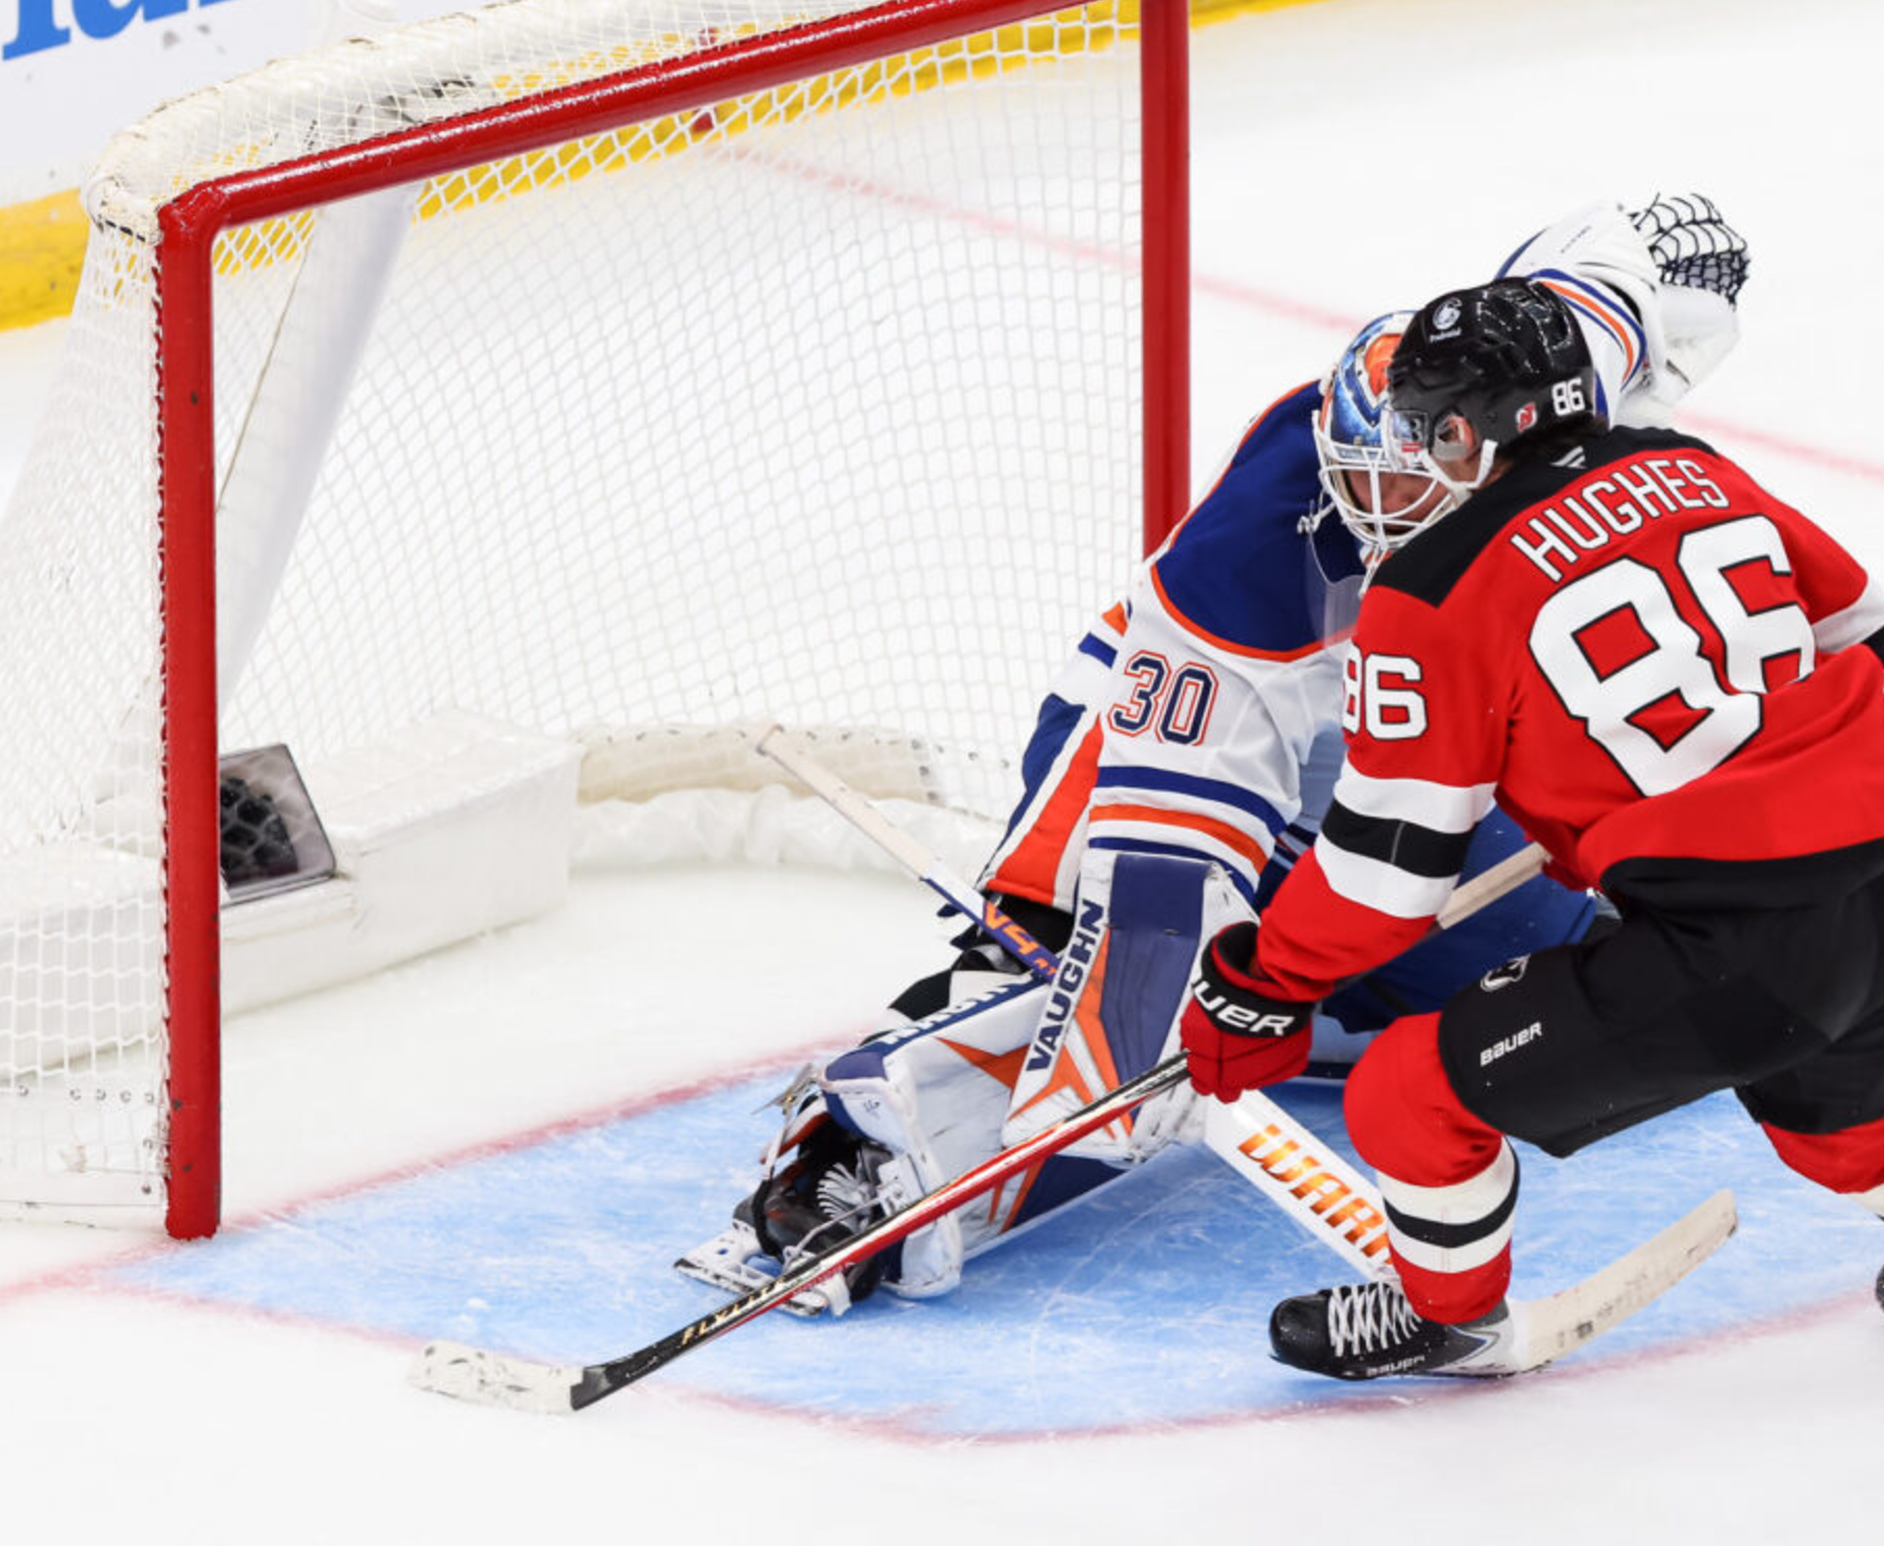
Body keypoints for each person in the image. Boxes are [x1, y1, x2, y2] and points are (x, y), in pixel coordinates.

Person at [678, 198, 1752, 1315]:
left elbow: (1590, 273)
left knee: (1590, 960)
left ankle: (1339, 999)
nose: (1379, 522)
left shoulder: (1563, 372)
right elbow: (1166, 848)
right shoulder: (1262, 551)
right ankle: (853, 1148)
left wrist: (1660, 262)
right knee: (1099, 972)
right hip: (1167, 743)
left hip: (1397, 755)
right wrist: (1123, 1043)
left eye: (1412, 490)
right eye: (1360, 485)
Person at [1181, 278, 1884, 1380]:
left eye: (1426, 430)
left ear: (1472, 433)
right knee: (1852, 1117)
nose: (1415, 456)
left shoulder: (1427, 588)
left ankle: (1450, 1321)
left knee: (1406, 1088)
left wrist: (1259, 981)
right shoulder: (1688, 462)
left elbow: (1385, 875)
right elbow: (1861, 621)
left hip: (1734, 946)